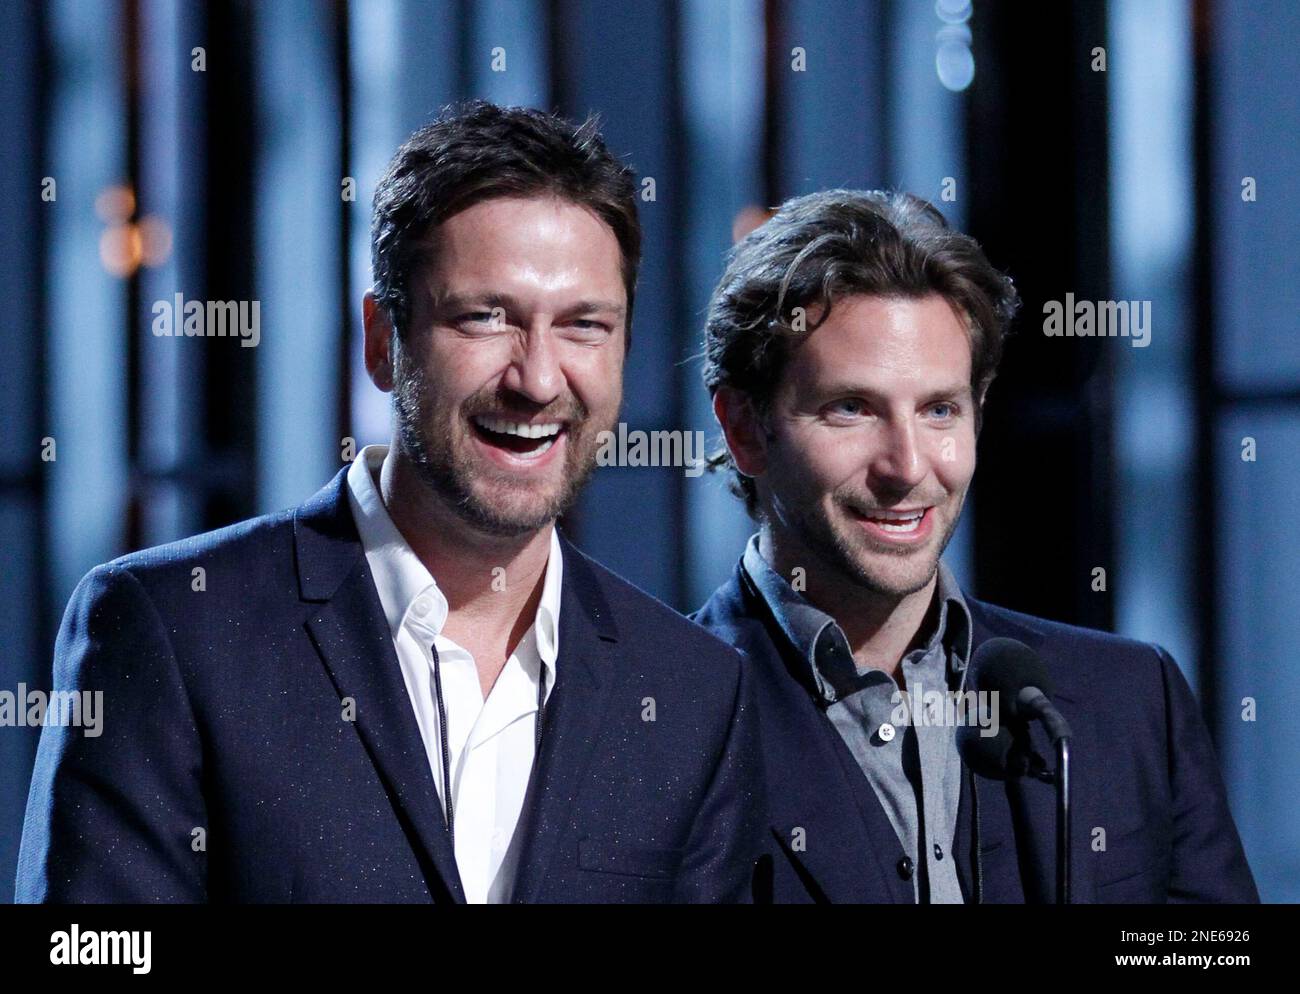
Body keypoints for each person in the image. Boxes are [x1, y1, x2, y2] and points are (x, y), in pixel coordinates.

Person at [16, 101, 762, 904]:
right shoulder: (174, 630)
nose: (538, 379)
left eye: (583, 326)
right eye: (485, 318)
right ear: (382, 342)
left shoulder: (693, 694)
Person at [692, 189, 1258, 904]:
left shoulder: (1133, 701)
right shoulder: (661, 727)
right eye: (852, 409)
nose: (907, 466)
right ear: (744, 428)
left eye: (939, 410)